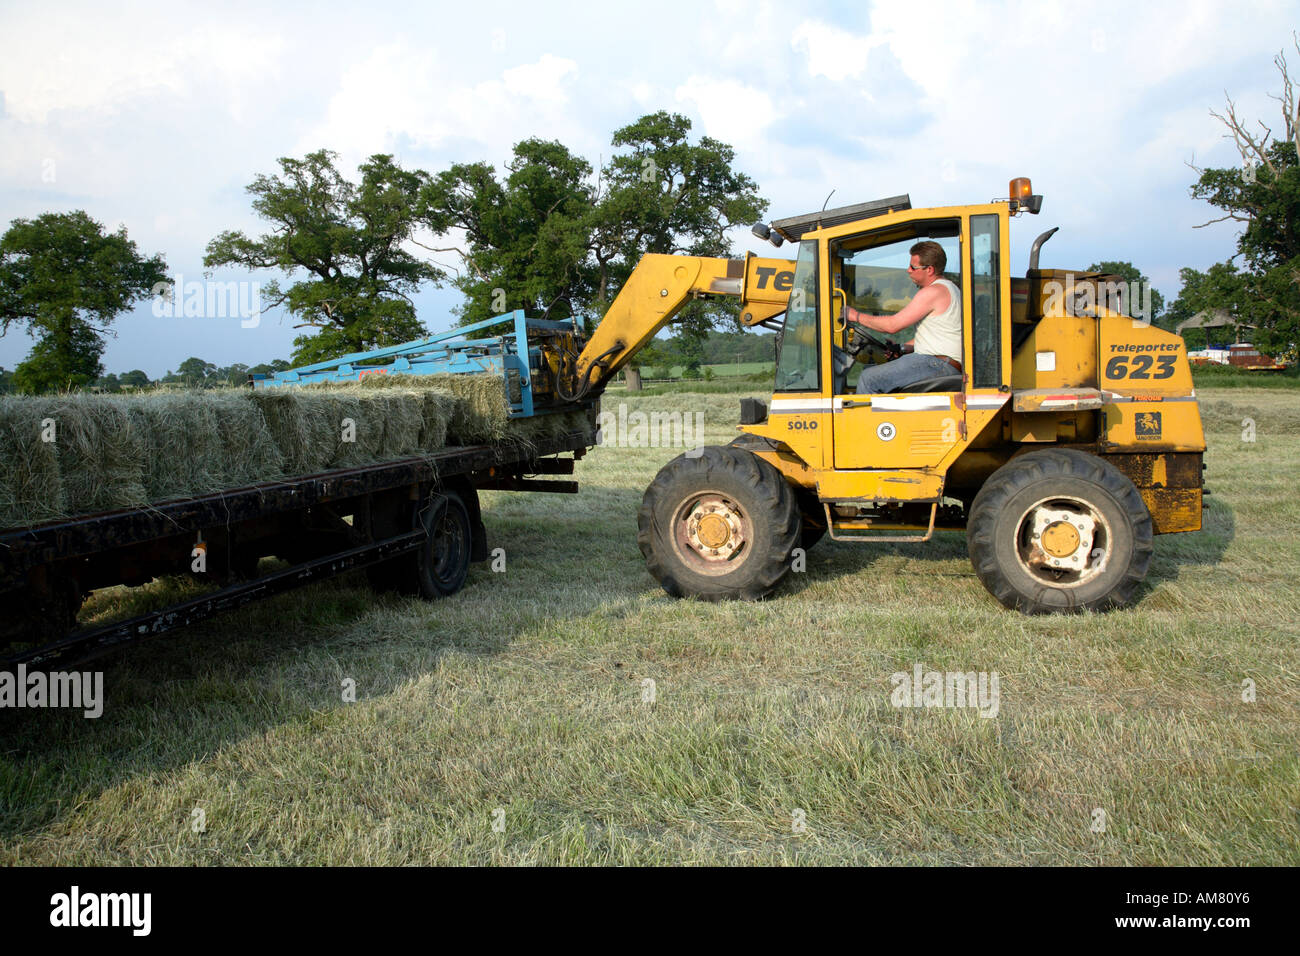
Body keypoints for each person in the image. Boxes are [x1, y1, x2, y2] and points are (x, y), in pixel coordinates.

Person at [846, 240, 962, 394]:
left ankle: (867, 419)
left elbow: (892, 325)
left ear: (929, 269)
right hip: (943, 364)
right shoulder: (951, 288)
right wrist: (901, 348)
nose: (908, 270)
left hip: (936, 364)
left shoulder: (933, 292)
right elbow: (935, 334)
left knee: (869, 379)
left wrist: (855, 315)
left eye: (913, 267)